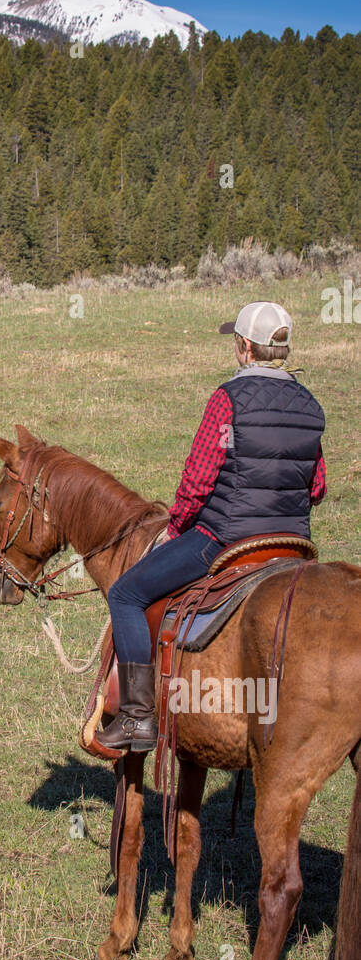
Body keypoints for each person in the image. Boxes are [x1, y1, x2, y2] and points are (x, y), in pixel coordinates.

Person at [98, 300, 327, 755]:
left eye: (235, 342)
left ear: (244, 347)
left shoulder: (228, 399)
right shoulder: (310, 403)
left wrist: (178, 526)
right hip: (293, 545)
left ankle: (139, 718)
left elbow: (198, 480)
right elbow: (316, 487)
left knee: (125, 593)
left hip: (225, 539)